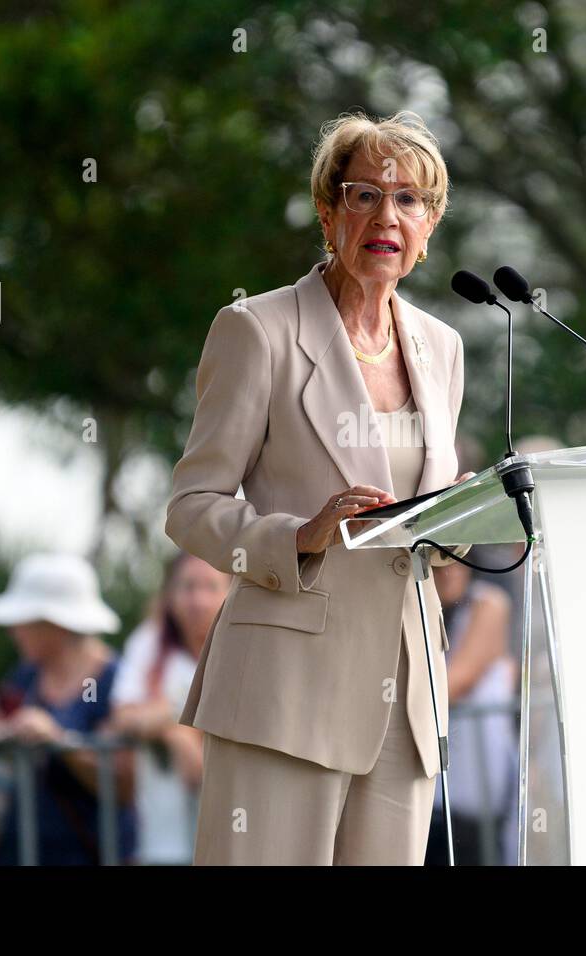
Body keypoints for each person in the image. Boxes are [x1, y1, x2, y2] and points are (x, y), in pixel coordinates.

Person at [166, 109, 475, 865]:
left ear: (429, 227)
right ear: (327, 211)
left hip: (405, 700)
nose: (386, 217)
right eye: (365, 194)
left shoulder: (444, 346)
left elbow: (419, 527)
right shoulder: (256, 330)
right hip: (285, 694)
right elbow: (191, 506)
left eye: (409, 201)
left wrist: (465, 516)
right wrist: (296, 536)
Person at [0, 553, 137, 865]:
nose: (14, 631)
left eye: (22, 621)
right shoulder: (25, 676)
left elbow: (123, 784)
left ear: (54, 623)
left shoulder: (118, 682)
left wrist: (59, 740)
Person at [111, 552, 229, 864]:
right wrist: (175, 732)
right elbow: (123, 717)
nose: (198, 600)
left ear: (230, 590)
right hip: (160, 836)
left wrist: (164, 716)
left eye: (210, 587)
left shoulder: (244, 646)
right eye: (188, 587)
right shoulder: (149, 643)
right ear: (170, 595)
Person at [424, 561, 516, 865]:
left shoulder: (487, 603)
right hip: (438, 783)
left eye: (452, 559)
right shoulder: (427, 607)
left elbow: (455, 683)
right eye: (434, 564)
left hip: (476, 780)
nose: (445, 572)